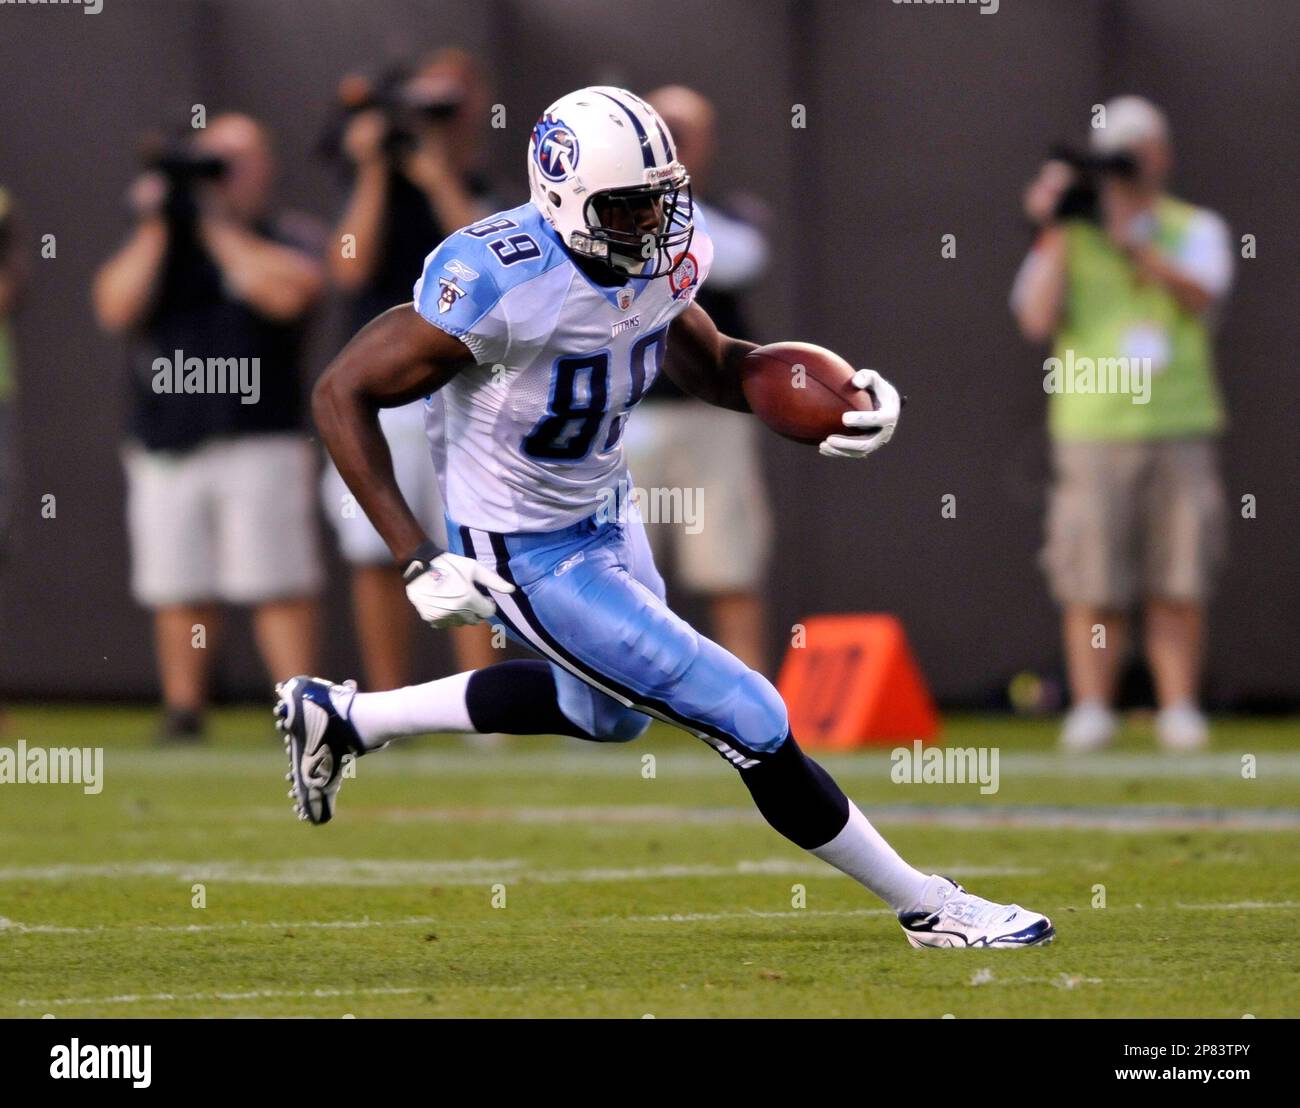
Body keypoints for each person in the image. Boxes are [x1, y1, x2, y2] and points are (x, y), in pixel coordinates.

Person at [276, 87, 1053, 949]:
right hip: (524, 550)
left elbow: (717, 366)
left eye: (661, 195)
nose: (652, 219)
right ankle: (929, 906)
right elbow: (341, 388)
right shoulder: (499, 281)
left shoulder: (655, 254)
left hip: (605, 513)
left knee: (609, 716)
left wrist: (836, 399)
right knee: (747, 710)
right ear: (566, 199)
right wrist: (416, 554)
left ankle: (347, 719)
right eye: (628, 204)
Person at [93, 114, 326, 741]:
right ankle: (185, 709)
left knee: (276, 579)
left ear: (265, 167)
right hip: (169, 435)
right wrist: (161, 222)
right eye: (214, 160)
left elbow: (290, 294)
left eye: (239, 160)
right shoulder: (164, 244)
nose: (225, 174)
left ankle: (301, 705)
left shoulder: (285, 234)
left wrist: (217, 226)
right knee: (178, 583)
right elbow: (114, 307)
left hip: (260, 431)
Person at [1012, 96, 1233, 752]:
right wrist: (1055, 224)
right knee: (1092, 573)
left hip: (1177, 421)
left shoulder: (1192, 226)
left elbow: (1203, 294)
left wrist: (1134, 241)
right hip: (1093, 426)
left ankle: (1178, 706)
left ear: (1161, 156)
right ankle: (1092, 705)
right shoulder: (1072, 234)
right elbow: (1033, 317)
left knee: (1179, 572)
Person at [323, 48, 498, 690]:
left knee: (469, 540)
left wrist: (436, 176)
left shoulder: (477, 186)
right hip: (386, 388)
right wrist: (374, 168)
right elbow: (348, 267)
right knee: (376, 550)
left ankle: (482, 705)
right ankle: (388, 701)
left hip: (464, 389)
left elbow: (490, 268)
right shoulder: (374, 185)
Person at [605, 84, 774, 673]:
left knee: (728, 564)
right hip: (626, 417)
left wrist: (662, 194)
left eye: (684, 128)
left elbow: (733, 259)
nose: (673, 138)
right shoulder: (602, 215)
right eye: (662, 126)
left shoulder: (728, 213)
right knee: (615, 569)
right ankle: (613, 698)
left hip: (709, 418)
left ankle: (751, 696)